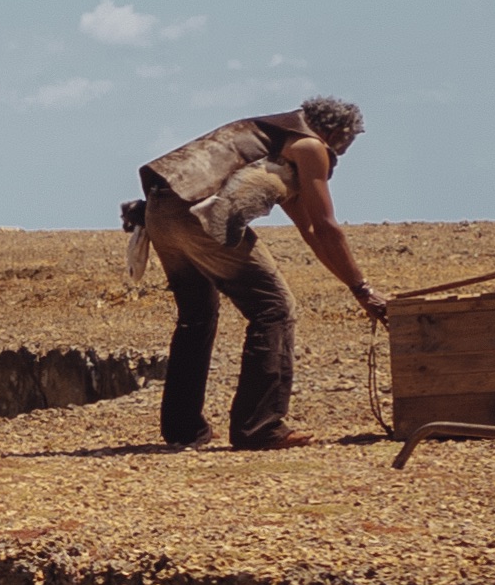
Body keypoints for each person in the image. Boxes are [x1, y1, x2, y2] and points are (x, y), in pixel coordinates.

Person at [130, 95, 387, 449]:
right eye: (347, 143)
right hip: (196, 217)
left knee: (197, 316)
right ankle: (260, 427)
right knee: (274, 308)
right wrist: (362, 288)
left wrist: (354, 288)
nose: (341, 155)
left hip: (160, 210)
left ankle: (184, 429)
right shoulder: (311, 146)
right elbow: (327, 227)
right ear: (338, 132)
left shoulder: (276, 138)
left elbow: (310, 231)